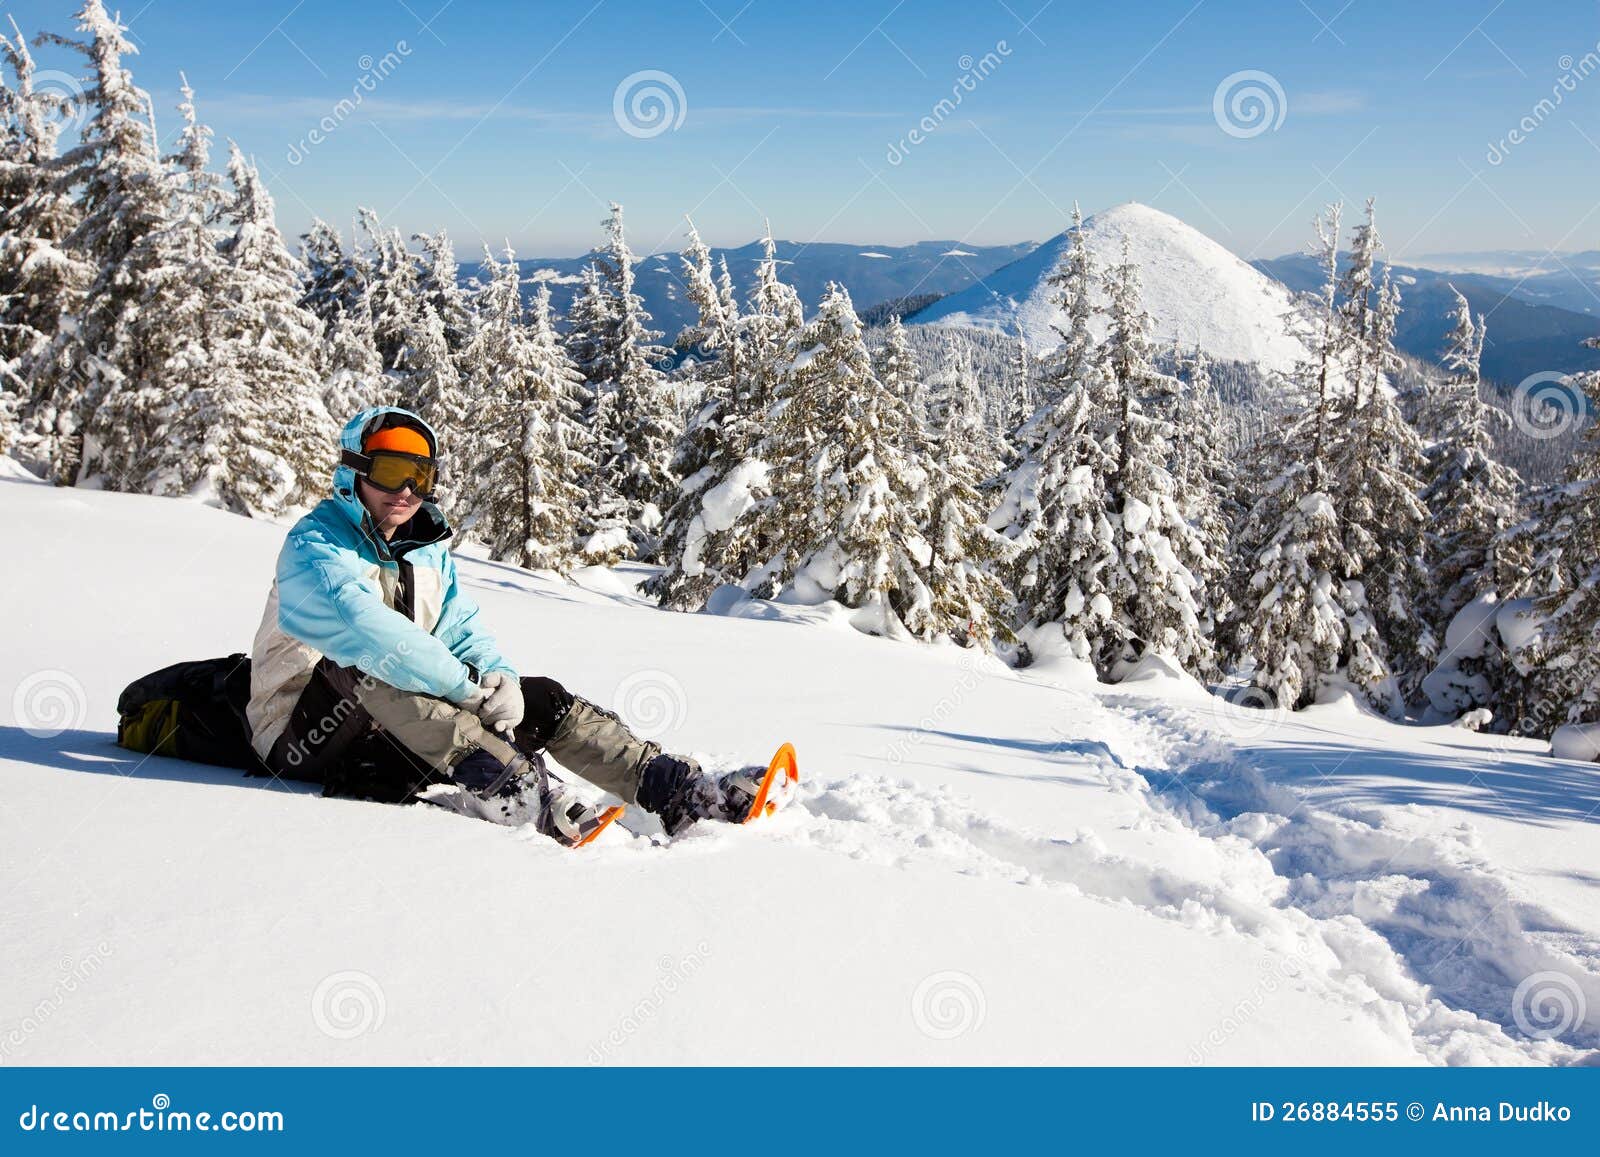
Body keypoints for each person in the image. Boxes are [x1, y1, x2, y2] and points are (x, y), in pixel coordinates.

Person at [246, 406, 777, 846]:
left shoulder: (425, 550)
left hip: (399, 727)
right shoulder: (315, 548)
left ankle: (680, 794)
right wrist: (469, 690)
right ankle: (522, 796)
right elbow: (375, 638)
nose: (407, 490)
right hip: (300, 737)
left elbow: (459, 627)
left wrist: (500, 681)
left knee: (539, 698)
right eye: (390, 472)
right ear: (354, 470)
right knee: (370, 669)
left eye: (421, 476)